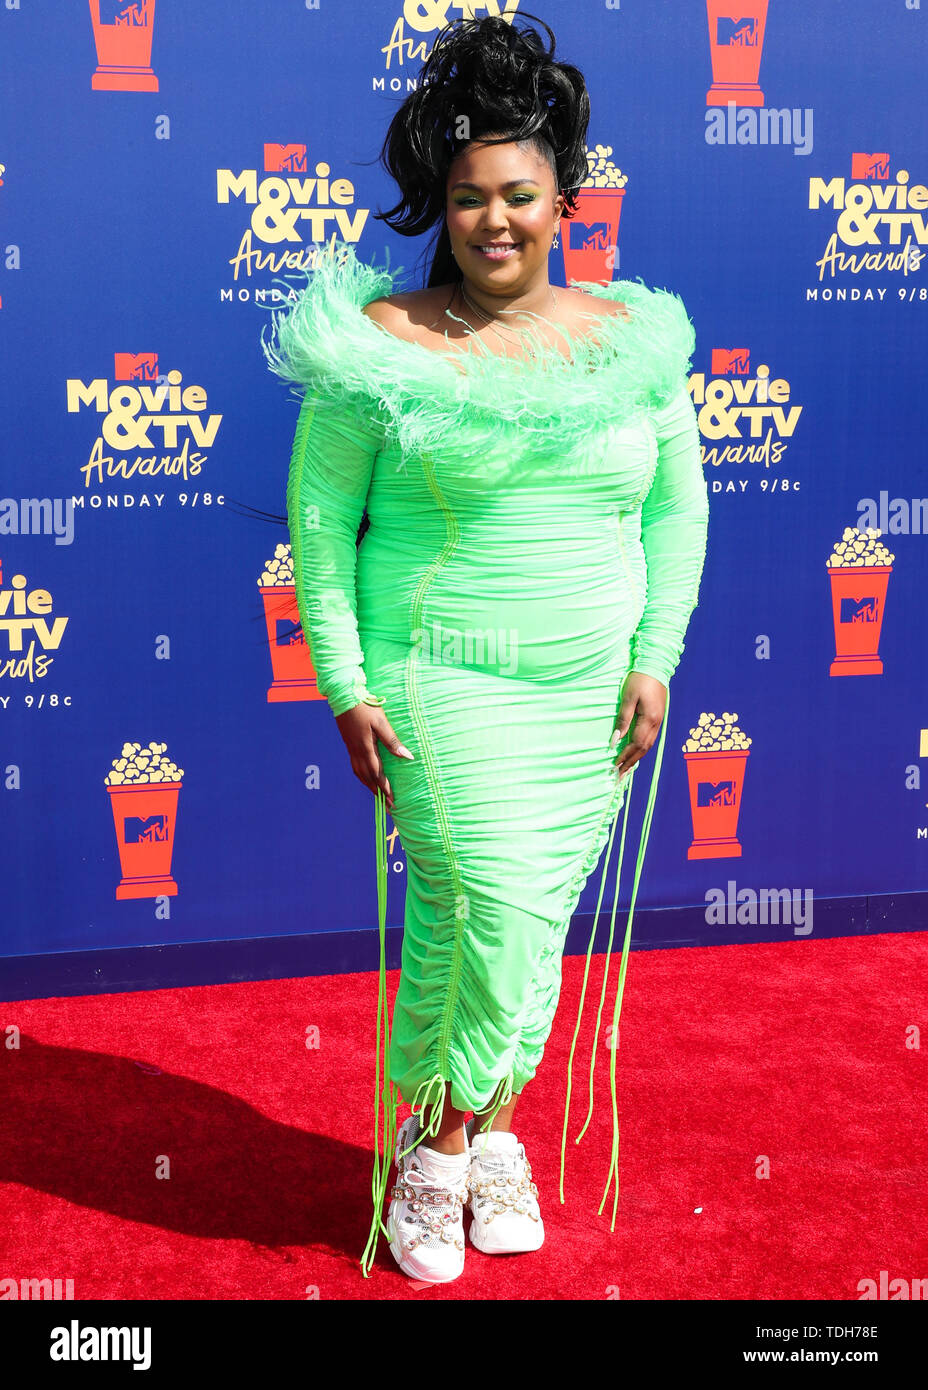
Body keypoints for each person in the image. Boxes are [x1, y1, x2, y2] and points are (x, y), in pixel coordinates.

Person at [261, 12, 710, 1285]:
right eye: (468, 199)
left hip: (590, 693)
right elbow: (320, 523)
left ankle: (485, 1134)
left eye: (519, 194)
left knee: (500, 920)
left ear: (566, 196)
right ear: (439, 206)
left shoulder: (633, 341)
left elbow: (678, 507)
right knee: (503, 898)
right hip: (438, 678)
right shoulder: (376, 347)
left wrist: (654, 653)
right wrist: (343, 683)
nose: (494, 221)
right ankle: (448, 1145)